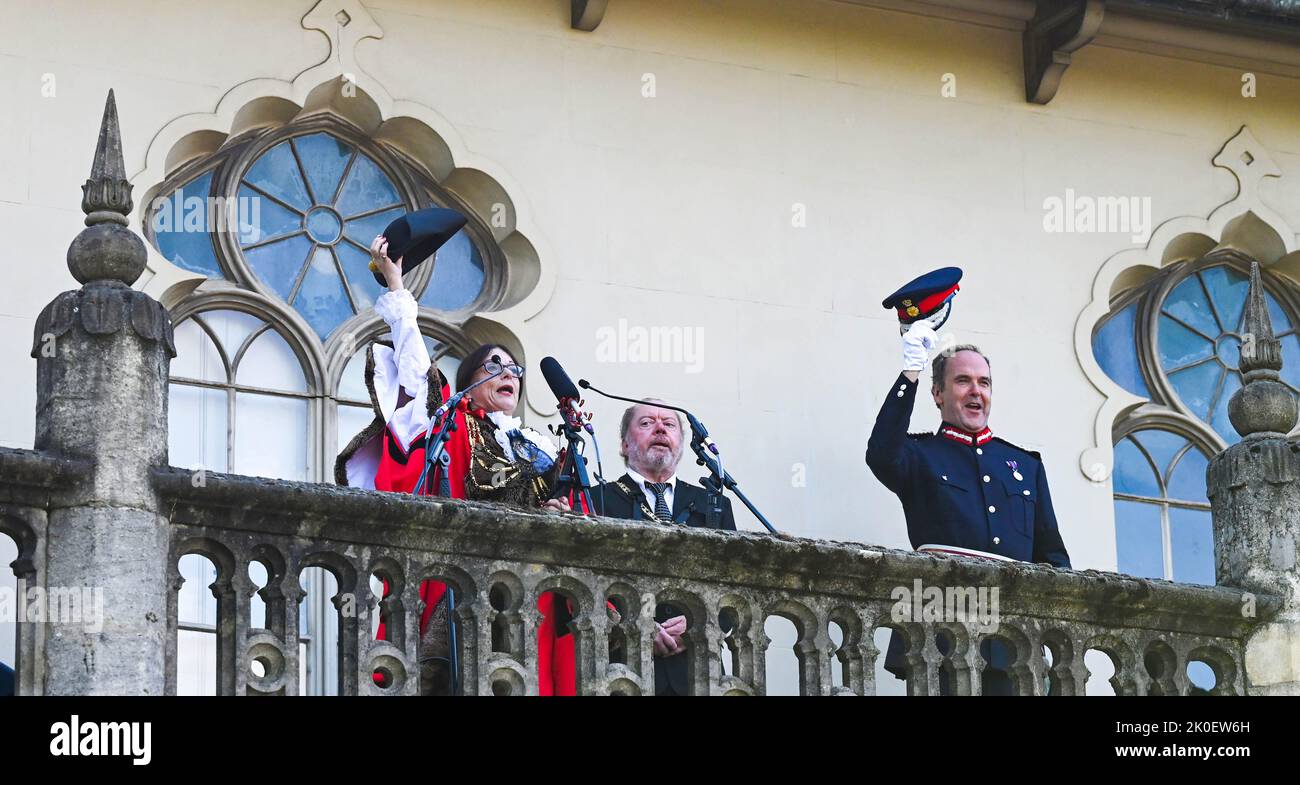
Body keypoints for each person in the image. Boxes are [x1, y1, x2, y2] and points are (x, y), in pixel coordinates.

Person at [336, 232, 576, 695]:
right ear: (467, 383)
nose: (508, 373)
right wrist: (396, 289)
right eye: (494, 366)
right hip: (468, 587)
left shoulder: (540, 445)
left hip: (533, 596)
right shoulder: (455, 422)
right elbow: (416, 371)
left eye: (514, 369)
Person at [865, 314, 1071, 695]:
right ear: (938, 394)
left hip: (1013, 641)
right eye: (963, 381)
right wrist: (910, 374)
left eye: (984, 383)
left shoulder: (1025, 466)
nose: (976, 391)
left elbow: (1053, 558)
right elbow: (880, 455)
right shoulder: (919, 454)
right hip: (938, 630)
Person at [591, 400, 736, 695]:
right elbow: (588, 586)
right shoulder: (596, 500)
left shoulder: (716, 506)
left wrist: (698, 626)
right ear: (624, 445)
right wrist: (636, 627)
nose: (659, 428)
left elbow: (735, 590)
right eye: (646, 423)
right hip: (622, 671)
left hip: (698, 673)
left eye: (669, 425)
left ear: (681, 445)